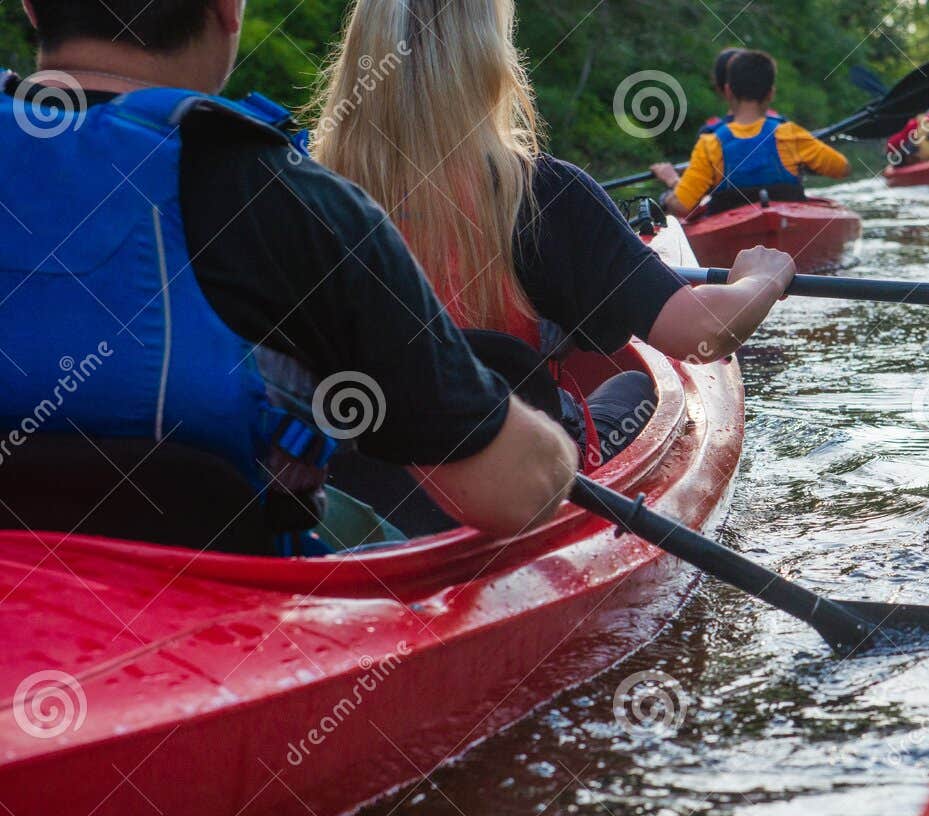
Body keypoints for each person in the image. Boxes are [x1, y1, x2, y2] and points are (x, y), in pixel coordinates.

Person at [0, 0, 575, 554]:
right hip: (226, 631)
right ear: (227, 8)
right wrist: (561, 451)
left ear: (31, 6)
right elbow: (515, 496)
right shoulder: (292, 201)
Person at [313, 0, 794, 470]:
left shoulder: (304, 191)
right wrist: (762, 279)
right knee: (636, 387)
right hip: (519, 481)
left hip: (359, 492)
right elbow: (701, 333)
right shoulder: (540, 193)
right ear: (489, 56)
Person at [653, 50, 849, 219]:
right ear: (771, 93)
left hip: (731, 229)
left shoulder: (709, 143)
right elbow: (842, 168)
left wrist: (670, 188)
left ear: (728, 91)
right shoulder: (789, 133)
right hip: (788, 220)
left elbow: (681, 206)